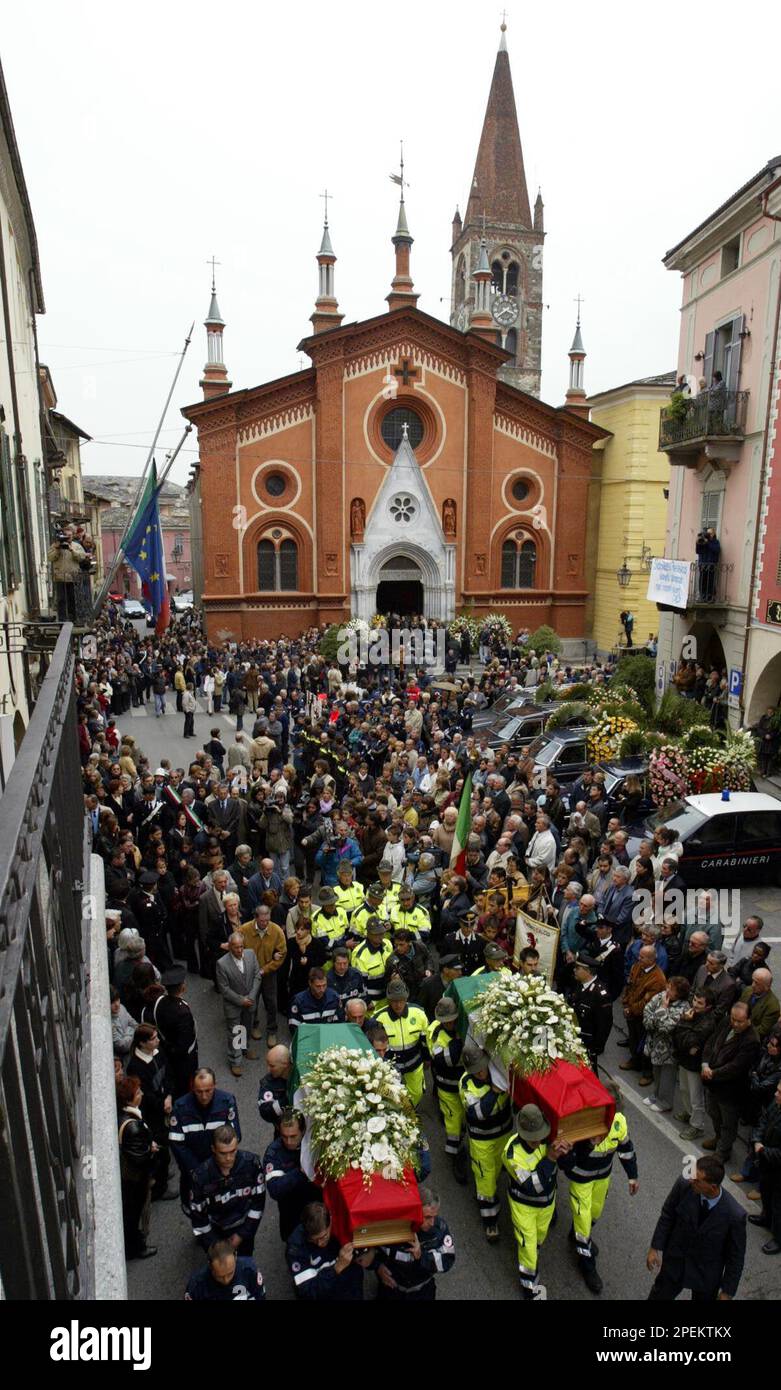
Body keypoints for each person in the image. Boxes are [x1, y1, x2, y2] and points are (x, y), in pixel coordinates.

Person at [559, 1082, 639, 1295]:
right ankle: (587, 1265)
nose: (613, 1117)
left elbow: (626, 1149)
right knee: (584, 1225)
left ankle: (576, 1235)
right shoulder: (583, 1125)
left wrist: (633, 1176)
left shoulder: (619, 1122)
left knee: (595, 1213)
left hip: (602, 1179)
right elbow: (565, 1163)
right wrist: (589, 1144)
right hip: (581, 1183)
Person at [646, 1155, 746, 1301]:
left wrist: (727, 1292)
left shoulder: (735, 1215)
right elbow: (668, 1215)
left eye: (697, 1180)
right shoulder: (684, 1185)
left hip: (705, 1274)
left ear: (712, 1187)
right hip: (676, 1262)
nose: (691, 1180)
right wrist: (655, 1247)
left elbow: (735, 1257)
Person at [502, 1105, 571, 1301]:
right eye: (533, 1137)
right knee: (528, 1248)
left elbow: (568, 1167)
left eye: (540, 1135)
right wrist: (550, 1158)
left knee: (538, 1240)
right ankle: (530, 1287)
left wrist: (567, 1153)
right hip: (524, 1208)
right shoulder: (511, 1154)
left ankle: (532, 1255)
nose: (538, 1140)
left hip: (547, 1206)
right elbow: (533, 1187)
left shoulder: (547, 1138)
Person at [459, 1039, 512, 1242]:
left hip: (504, 1135)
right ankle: (490, 1221)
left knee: (498, 1171)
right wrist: (494, 1092)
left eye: (483, 1069)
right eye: (477, 1071)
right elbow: (478, 1113)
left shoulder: (498, 1074)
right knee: (486, 1181)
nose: (481, 1073)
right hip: (482, 1141)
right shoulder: (466, 1084)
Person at [169, 1068, 241, 1209]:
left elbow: (234, 1135)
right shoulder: (180, 1108)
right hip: (192, 1171)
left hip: (219, 1169)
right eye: (199, 1091)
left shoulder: (227, 1103)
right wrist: (198, 1171)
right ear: (193, 1088)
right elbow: (177, 1143)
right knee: (192, 1207)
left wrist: (216, 1166)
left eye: (208, 1090)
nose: (204, 1096)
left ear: (215, 1085)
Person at [189, 1124, 265, 1255]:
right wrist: (216, 1245)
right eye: (223, 1153)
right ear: (213, 1149)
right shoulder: (200, 1177)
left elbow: (258, 1204)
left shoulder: (252, 1164)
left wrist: (241, 1235)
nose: (229, 1158)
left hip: (244, 1225)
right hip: (216, 1230)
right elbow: (198, 1216)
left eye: (233, 1151)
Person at [701, 1002, 761, 1164]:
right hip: (712, 1082)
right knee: (713, 1112)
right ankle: (718, 1138)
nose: (734, 1023)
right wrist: (705, 1064)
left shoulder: (751, 1040)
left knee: (728, 1122)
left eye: (739, 1021)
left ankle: (723, 1151)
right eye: (733, 1019)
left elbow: (736, 1067)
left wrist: (713, 1073)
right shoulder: (726, 1022)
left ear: (749, 1020)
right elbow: (711, 1041)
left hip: (731, 1090)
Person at [373, 1185, 456, 1300]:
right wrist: (377, 1266)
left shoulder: (440, 1229)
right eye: (427, 1217)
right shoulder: (393, 1227)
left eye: (434, 1217)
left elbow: (447, 1260)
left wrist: (421, 1256)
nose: (432, 1223)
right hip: (391, 1290)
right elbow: (372, 1249)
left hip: (422, 1292)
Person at [286, 1201, 370, 1300]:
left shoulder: (341, 1226)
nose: (320, 1243)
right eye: (314, 1239)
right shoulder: (296, 1248)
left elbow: (365, 1241)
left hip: (350, 1290)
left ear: (330, 1222)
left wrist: (374, 1260)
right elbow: (308, 1291)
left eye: (324, 1236)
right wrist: (336, 1268)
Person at [263, 1108, 322, 1241]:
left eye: (293, 1136)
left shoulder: (313, 1144)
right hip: (292, 1212)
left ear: (302, 1131)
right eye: (284, 1136)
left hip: (317, 1207)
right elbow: (274, 1189)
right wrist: (300, 1172)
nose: (289, 1142)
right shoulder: (274, 1153)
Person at [116, 1074, 158, 1260]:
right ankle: (137, 1247)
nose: (141, 1093)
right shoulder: (132, 1126)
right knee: (135, 1214)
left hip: (130, 1179)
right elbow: (138, 1158)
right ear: (130, 1099)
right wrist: (150, 1149)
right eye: (138, 1092)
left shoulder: (123, 1117)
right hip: (134, 1180)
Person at [427, 997, 467, 1181]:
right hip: (447, 1085)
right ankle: (454, 1152)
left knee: (464, 1118)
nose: (450, 1023)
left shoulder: (462, 1026)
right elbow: (444, 1061)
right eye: (447, 1021)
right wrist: (457, 1043)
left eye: (453, 1019)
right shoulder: (435, 1033)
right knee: (452, 1118)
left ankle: (460, 1143)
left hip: (464, 1084)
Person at [373, 978, 429, 1106]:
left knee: (417, 1092)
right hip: (392, 1067)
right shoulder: (379, 1019)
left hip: (415, 1062)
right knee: (393, 1097)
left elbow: (425, 1040)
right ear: (389, 1000)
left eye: (401, 1000)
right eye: (394, 1001)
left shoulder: (418, 1013)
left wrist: (427, 1059)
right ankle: (404, 1114)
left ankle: (409, 1111)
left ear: (406, 998)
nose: (398, 1005)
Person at [215, 932, 262, 1077]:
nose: (239, 950)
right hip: (234, 1004)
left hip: (250, 1001)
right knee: (235, 1031)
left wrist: (251, 997)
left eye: (241, 946)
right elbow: (224, 988)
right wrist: (241, 1000)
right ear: (229, 947)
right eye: (236, 947)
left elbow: (257, 976)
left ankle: (245, 1048)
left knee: (246, 1026)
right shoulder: (222, 963)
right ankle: (235, 1060)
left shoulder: (251, 954)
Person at [641, 976, 691, 1113]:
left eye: (671, 989)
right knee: (656, 1072)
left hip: (669, 1049)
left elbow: (666, 1027)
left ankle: (665, 1101)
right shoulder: (661, 996)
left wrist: (663, 1008)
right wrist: (653, 1022)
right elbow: (647, 1013)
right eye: (668, 986)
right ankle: (656, 1096)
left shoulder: (684, 1007)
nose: (667, 990)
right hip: (654, 1043)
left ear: (679, 994)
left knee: (667, 1076)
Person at [673, 988, 718, 1140]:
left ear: (708, 1007)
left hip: (695, 1065)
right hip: (685, 1059)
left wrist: (684, 1023)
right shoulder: (693, 1015)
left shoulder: (707, 1023)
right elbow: (682, 1040)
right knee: (684, 1089)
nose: (695, 1004)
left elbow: (691, 1042)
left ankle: (697, 1126)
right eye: (694, 1000)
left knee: (695, 1096)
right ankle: (689, 1112)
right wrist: (685, 1038)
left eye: (700, 1003)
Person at [240, 903, 287, 1047]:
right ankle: (254, 1026)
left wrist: (265, 969)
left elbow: (282, 953)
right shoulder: (244, 930)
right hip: (250, 973)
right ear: (255, 918)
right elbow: (237, 950)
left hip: (268, 973)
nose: (265, 924)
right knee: (251, 1002)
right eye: (262, 921)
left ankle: (272, 1031)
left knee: (271, 1002)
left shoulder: (276, 931)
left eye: (268, 920)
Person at [153, 964, 198, 1098]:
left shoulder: (160, 1001)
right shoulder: (182, 1011)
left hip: (168, 1048)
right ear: (182, 987)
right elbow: (184, 1043)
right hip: (184, 1058)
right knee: (185, 1084)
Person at [619, 945, 666, 1073]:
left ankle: (646, 1072)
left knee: (643, 1044)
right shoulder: (637, 966)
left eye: (642, 957)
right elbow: (630, 986)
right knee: (633, 1039)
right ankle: (634, 1060)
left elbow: (647, 1002)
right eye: (639, 956)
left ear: (651, 960)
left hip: (643, 1016)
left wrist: (631, 1009)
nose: (638, 958)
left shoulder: (658, 979)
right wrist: (626, 1002)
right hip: (631, 1011)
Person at [748, 1079, 781, 1255]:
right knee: (766, 1193)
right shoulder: (775, 1105)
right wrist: (757, 1140)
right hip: (768, 1163)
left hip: (777, 1166)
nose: (776, 1094)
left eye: (780, 1092)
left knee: (779, 1203)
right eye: (777, 1090)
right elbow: (763, 1120)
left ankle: (778, 1237)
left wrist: (764, 1150)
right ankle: (766, 1218)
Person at [568, 954, 613, 1073]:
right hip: (573, 1039)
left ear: (588, 971)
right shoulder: (579, 984)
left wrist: (596, 1048)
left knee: (590, 1075)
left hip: (588, 1045)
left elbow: (604, 1025)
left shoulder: (600, 994)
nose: (574, 970)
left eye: (578, 968)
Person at [185, 1239, 266, 1300]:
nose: (226, 1280)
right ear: (210, 1265)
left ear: (235, 1257)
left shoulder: (250, 1270)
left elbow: (259, 1296)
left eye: (230, 1273)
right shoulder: (196, 1285)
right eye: (219, 1276)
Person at [258, 1044, 292, 1131]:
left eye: (272, 1066)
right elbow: (266, 1112)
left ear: (285, 1064)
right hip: (283, 1130)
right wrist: (286, 1100)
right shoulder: (267, 1084)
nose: (268, 1069)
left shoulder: (297, 1075)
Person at [740, 967, 781, 1040]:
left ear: (766, 987)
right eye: (753, 981)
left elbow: (762, 1031)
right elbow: (738, 1007)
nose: (752, 985)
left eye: (757, 983)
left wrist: (743, 1029)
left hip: (750, 1038)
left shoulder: (773, 1006)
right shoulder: (748, 990)